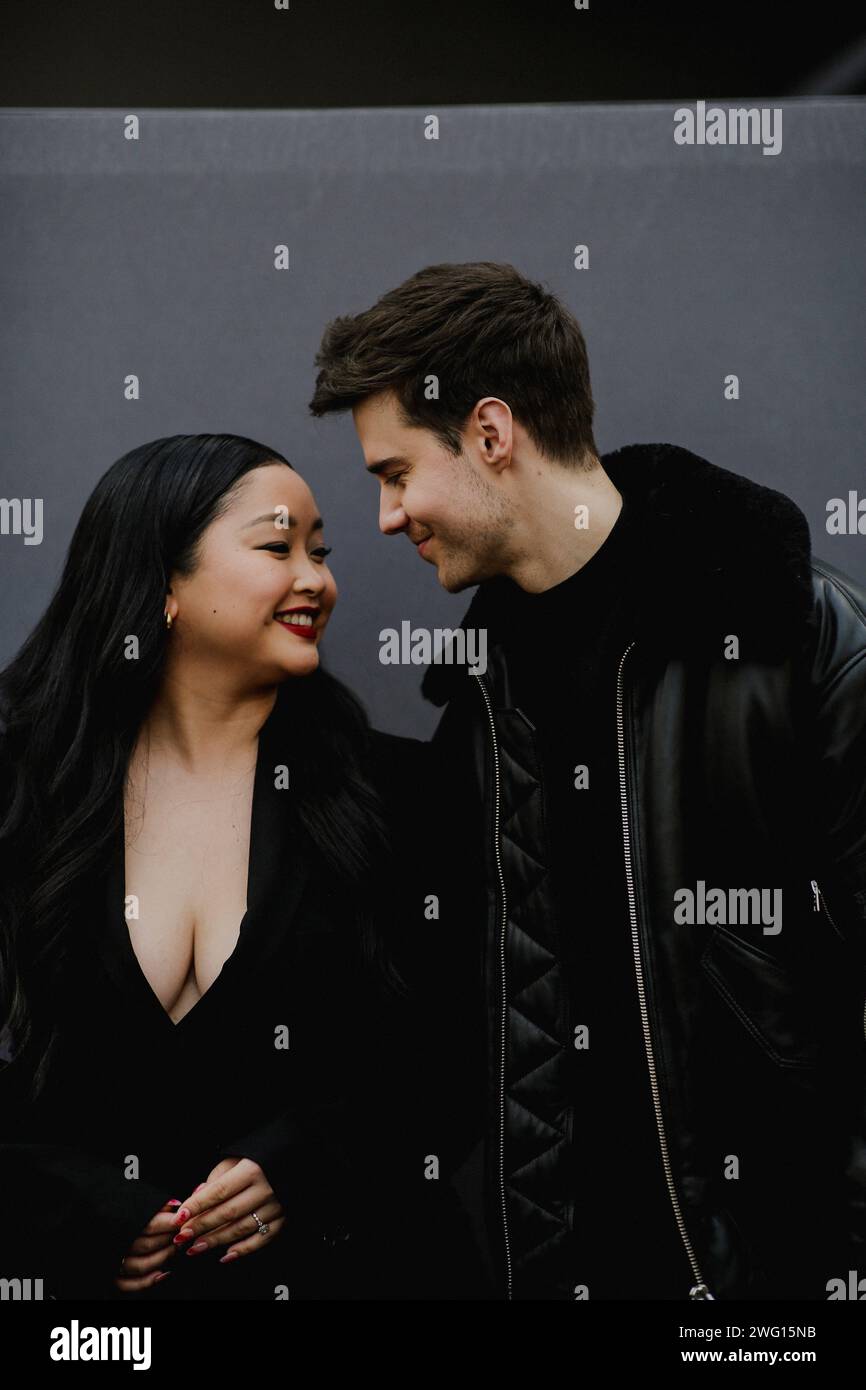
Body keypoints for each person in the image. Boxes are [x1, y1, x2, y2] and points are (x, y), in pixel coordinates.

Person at [307, 260, 866, 1301]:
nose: (386, 517)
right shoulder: (477, 708)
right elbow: (452, 1037)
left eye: (392, 474)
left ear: (488, 433)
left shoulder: (799, 636)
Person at [0, 432, 486, 1300]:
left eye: (320, 552)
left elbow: (466, 1054)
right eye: (277, 547)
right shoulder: (24, 794)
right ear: (164, 586)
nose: (316, 579)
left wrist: (307, 1163)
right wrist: (74, 1204)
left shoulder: (399, 793)